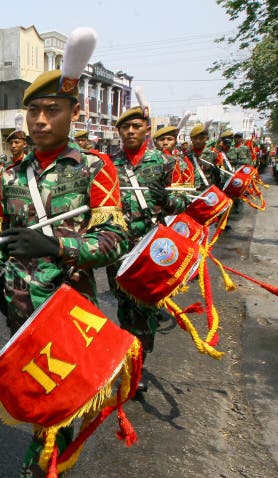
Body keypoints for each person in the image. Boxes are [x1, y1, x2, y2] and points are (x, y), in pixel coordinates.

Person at [0, 59, 129, 478]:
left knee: (58, 395)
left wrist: (57, 247)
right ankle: (50, 448)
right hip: (18, 306)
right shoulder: (10, 174)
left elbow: (115, 239)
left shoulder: (94, 169)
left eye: (52, 110)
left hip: (67, 310)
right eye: (32, 111)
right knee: (36, 386)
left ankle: (39, 477)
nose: (39, 120)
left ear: (73, 113)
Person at [108, 106, 188, 394]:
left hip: (150, 247)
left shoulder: (164, 163)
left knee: (146, 307)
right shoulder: (109, 164)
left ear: (146, 130)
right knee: (124, 305)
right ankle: (130, 358)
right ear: (118, 132)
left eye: (136, 126)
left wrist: (164, 200)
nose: (130, 131)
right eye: (124, 127)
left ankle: (139, 357)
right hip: (116, 246)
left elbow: (183, 203)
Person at [187, 122, 226, 190]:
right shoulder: (186, 155)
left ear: (207, 138)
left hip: (208, 192)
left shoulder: (214, 154)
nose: (198, 141)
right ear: (191, 138)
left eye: (201, 138)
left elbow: (222, 175)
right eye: (195, 138)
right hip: (191, 192)